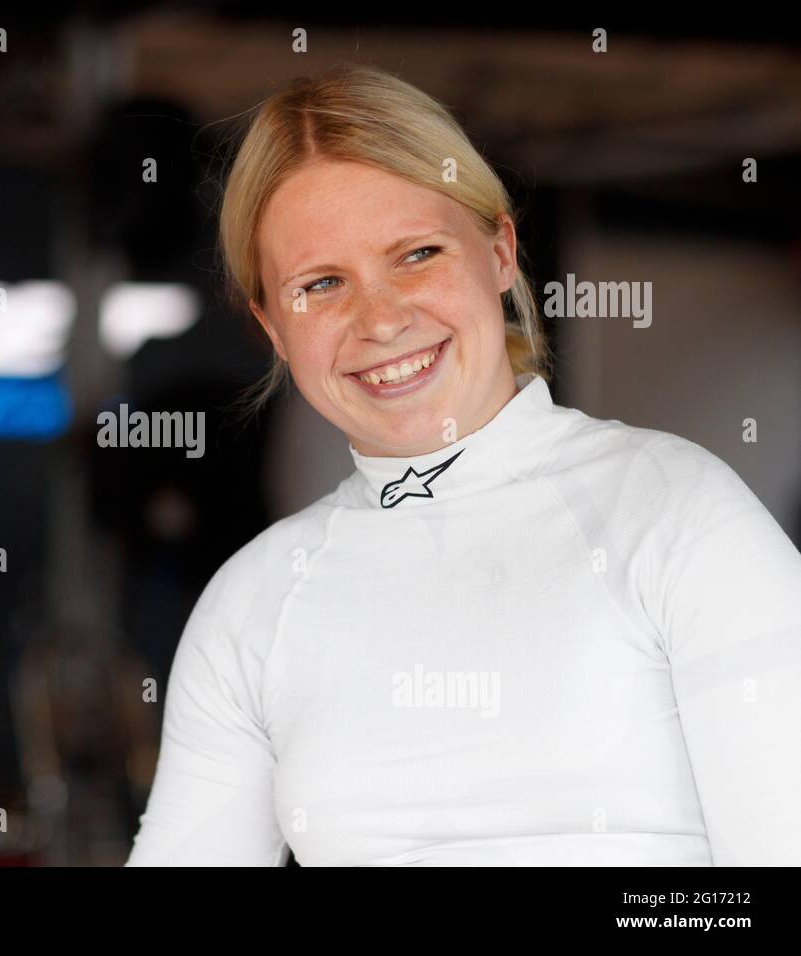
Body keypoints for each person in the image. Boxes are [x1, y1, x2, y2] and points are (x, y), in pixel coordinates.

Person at [124, 64, 801, 865]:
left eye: (417, 254)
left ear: (501, 251)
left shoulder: (681, 513)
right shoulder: (252, 604)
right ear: (272, 327)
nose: (380, 320)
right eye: (322, 284)